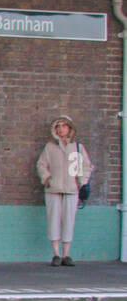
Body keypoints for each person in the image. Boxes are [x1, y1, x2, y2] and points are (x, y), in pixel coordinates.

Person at [37, 114, 93, 266]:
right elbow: (42, 165)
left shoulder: (77, 147)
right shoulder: (50, 147)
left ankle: (66, 254)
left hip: (72, 189)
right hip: (53, 189)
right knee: (53, 219)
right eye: (58, 126)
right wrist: (47, 178)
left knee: (69, 220)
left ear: (70, 128)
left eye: (64, 126)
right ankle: (56, 254)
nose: (61, 129)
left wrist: (81, 182)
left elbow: (85, 166)